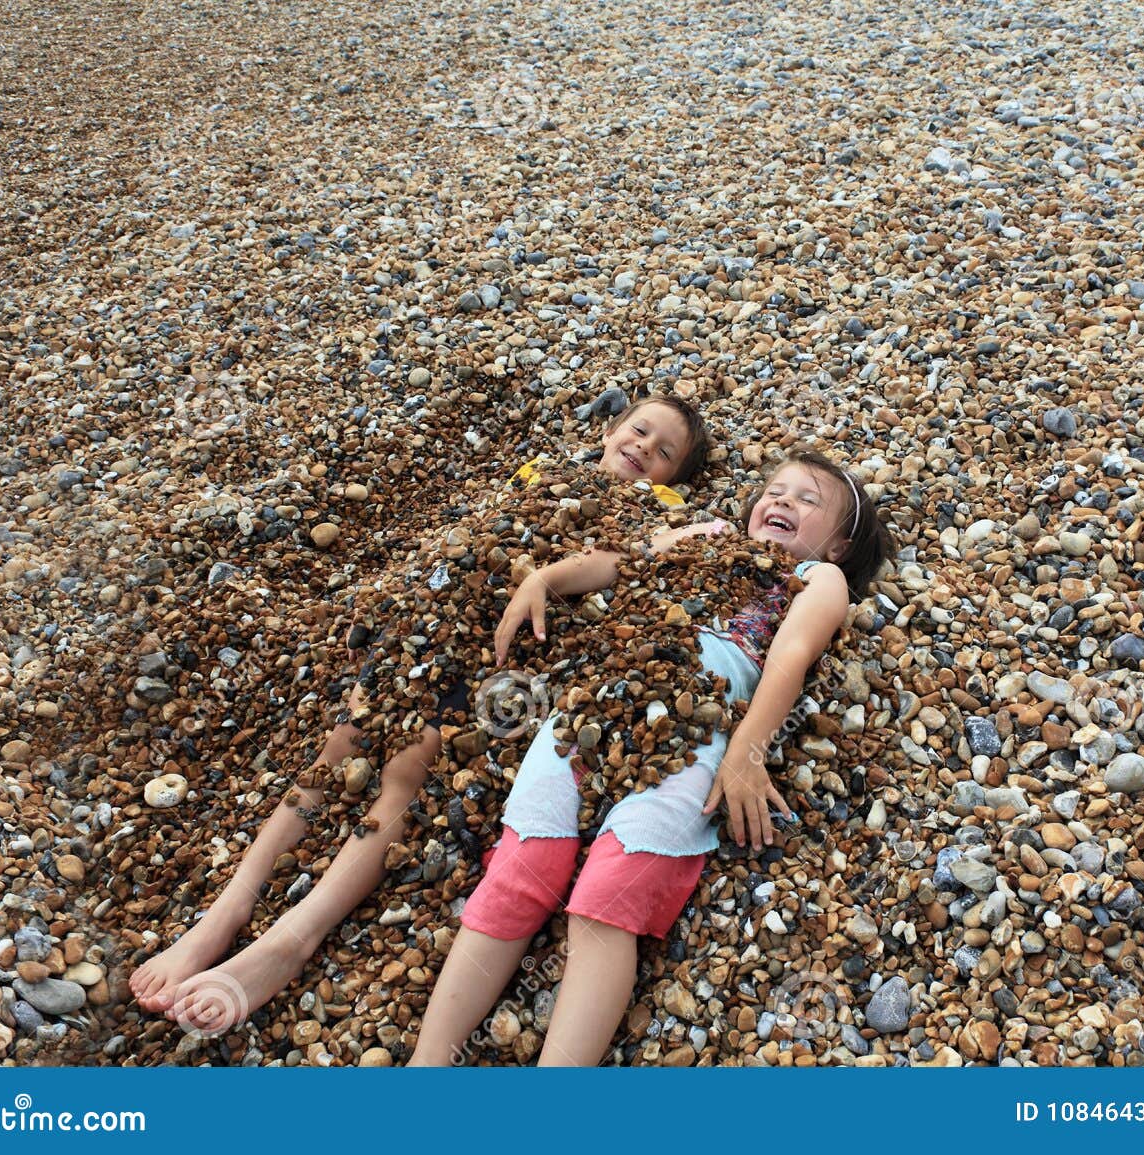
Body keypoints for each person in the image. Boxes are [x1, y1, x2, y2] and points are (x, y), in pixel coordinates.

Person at [130, 396, 711, 1030]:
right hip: (431, 627)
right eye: (640, 431)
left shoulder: (654, 507)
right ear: (610, 428)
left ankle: (292, 938)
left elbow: (637, 556)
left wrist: (550, 575)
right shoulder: (541, 472)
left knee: (409, 767)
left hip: (516, 655)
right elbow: (467, 538)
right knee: (339, 747)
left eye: (663, 454)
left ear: (672, 480)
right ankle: (227, 912)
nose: (643, 451)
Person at [408, 449, 892, 1066]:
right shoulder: (711, 536)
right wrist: (545, 579)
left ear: (839, 546)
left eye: (807, 500)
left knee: (608, 905)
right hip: (594, 705)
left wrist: (747, 751)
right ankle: (426, 1068)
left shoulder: (820, 579)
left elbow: (790, 658)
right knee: (516, 872)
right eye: (774, 491)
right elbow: (624, 563)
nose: (781, 503)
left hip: (699, 727)